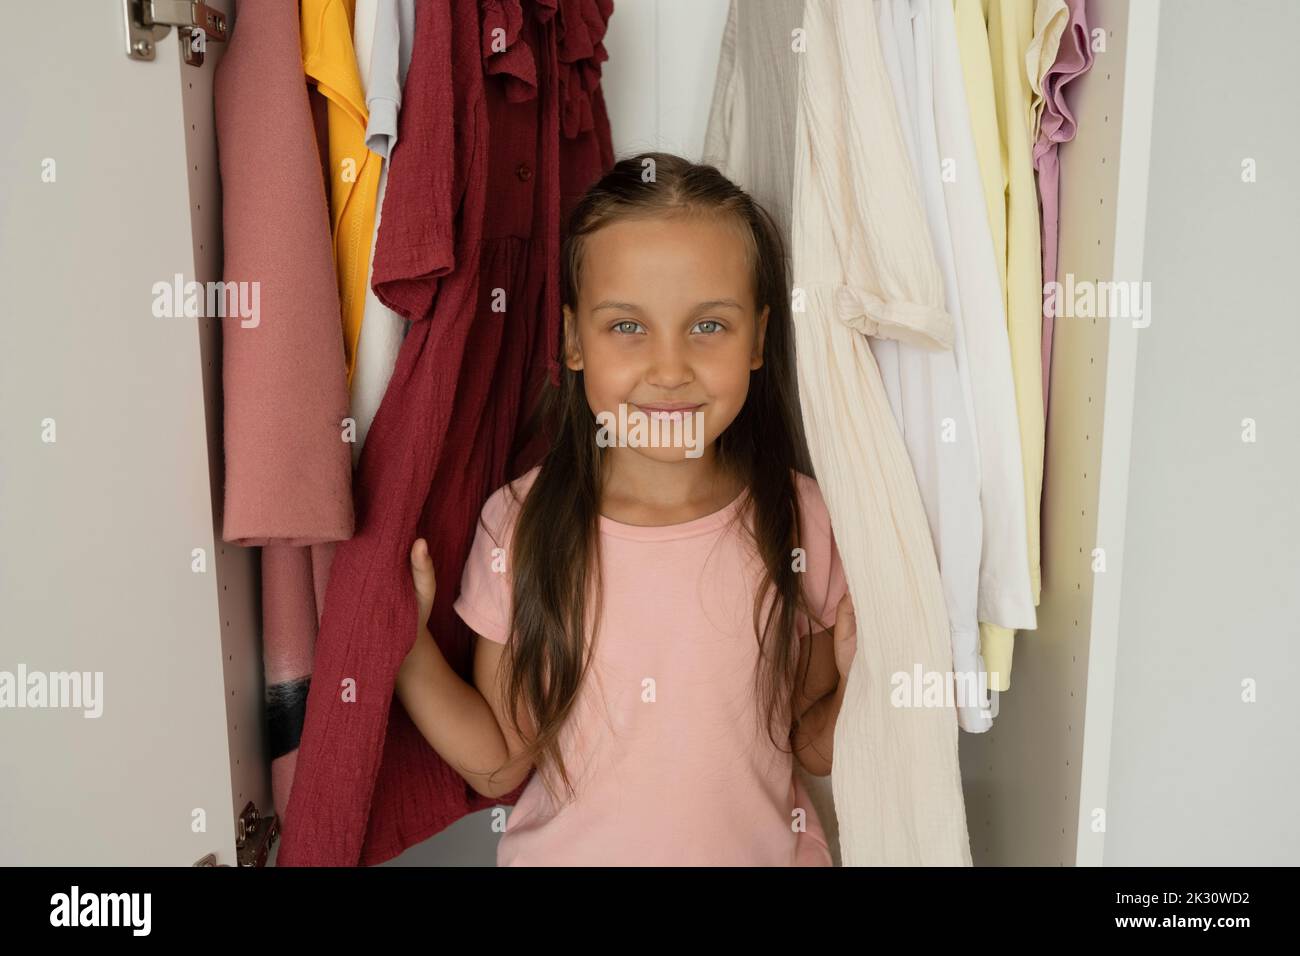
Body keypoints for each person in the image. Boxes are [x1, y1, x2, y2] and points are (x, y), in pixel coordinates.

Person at [396, 152, 856, 866]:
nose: (669, 370)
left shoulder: (804, 521)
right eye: (627, 327)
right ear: (575, 340)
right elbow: (499, 762)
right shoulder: (520, 526)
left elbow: (810, 745)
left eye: (709, 327)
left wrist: (867, 683)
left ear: (760, 339)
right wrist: (404, 645)